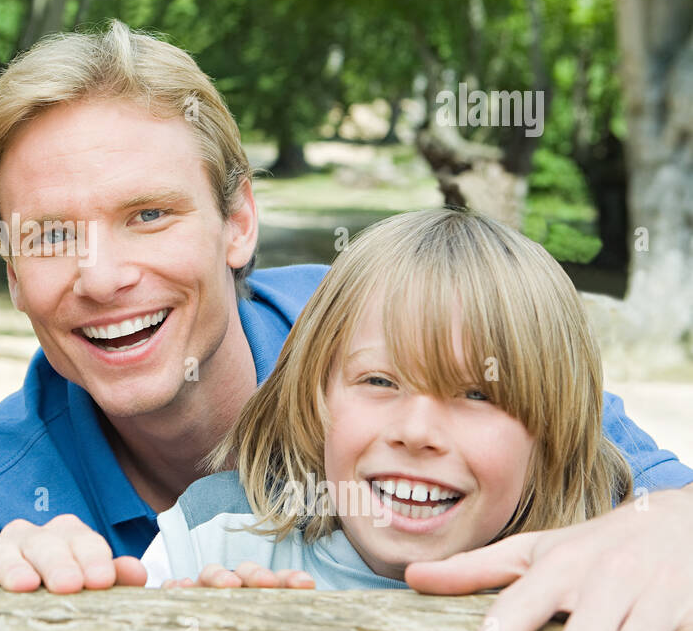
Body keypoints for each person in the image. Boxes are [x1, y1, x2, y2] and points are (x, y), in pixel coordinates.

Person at [0, 20, 693, 631]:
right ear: (11, 271)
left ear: (238, 223)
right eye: (51, 235)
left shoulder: (391, 328)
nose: (104, 276)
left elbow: (638, 484)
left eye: (150, 214)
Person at [144, 209, 632, 592]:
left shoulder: (597, 575)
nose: (416, 432)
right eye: (379, 381)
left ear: (552, 434)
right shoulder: (212, 540)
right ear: (312, 394)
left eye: (477, 394)